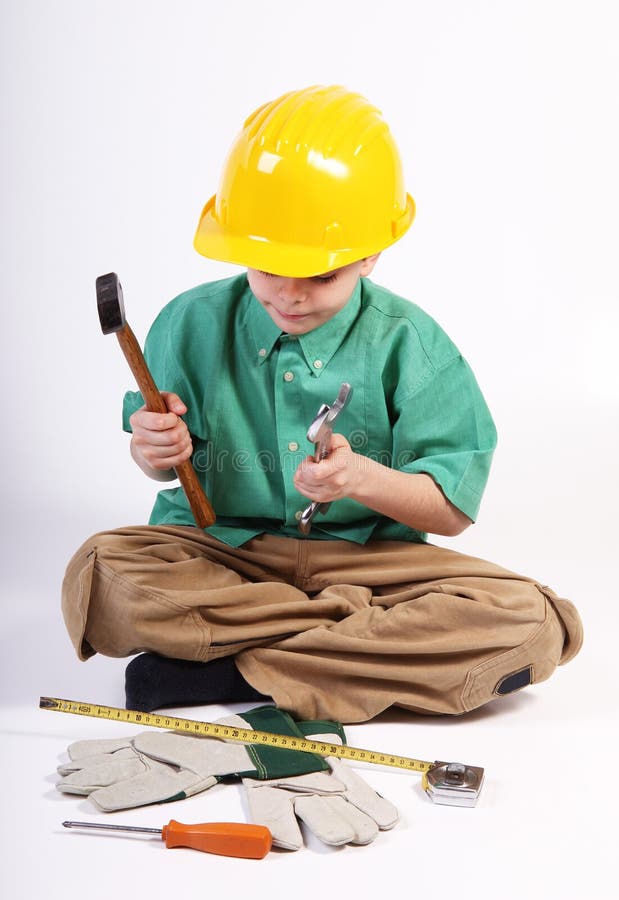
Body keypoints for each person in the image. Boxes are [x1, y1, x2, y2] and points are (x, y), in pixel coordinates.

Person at [62, 85, 583, 723]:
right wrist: (152, 450)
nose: (290, 294)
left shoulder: (412, 345)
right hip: (222, 554)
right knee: (99, 571)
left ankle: (237, 666)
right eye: (267, 265)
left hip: (373, 563)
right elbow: (159, 465)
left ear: (370, 253)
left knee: (532, 622)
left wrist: (358, 476)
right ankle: (346, 646)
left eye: (320, 274)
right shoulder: (187, 324)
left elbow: (449, 513)